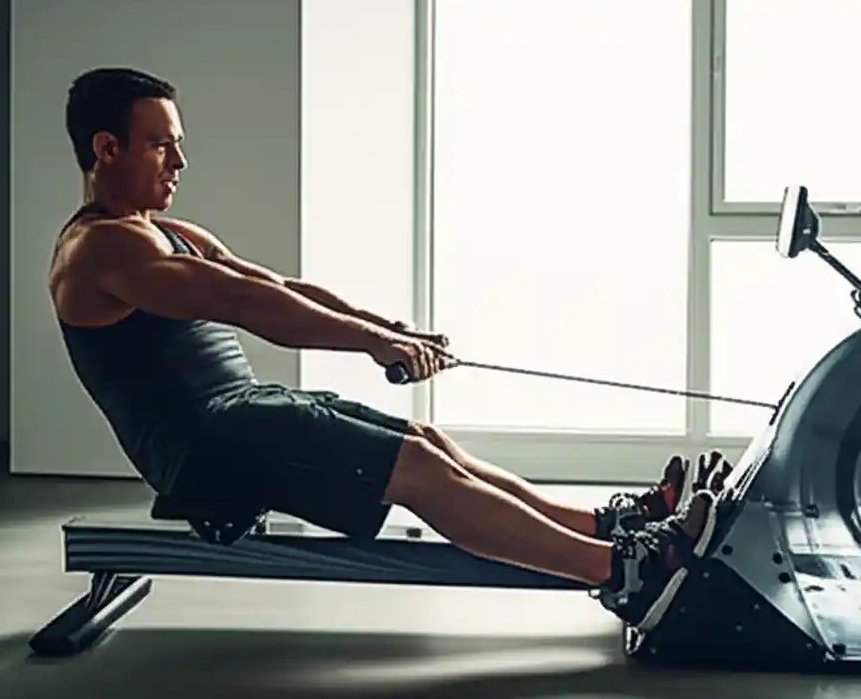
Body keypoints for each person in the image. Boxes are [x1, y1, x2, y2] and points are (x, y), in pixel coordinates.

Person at [48, 66, 733, 632]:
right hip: (203, 451)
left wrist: (393, 330)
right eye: (160, 145)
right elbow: (250, 308)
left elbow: (278, 284)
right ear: (108, 149)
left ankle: (611, 527)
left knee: (426, 441)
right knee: (413, 470)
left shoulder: (170, 232)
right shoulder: (100, 249)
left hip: (240, 415)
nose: (180, 161)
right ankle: (627, 573)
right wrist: (374, 344)